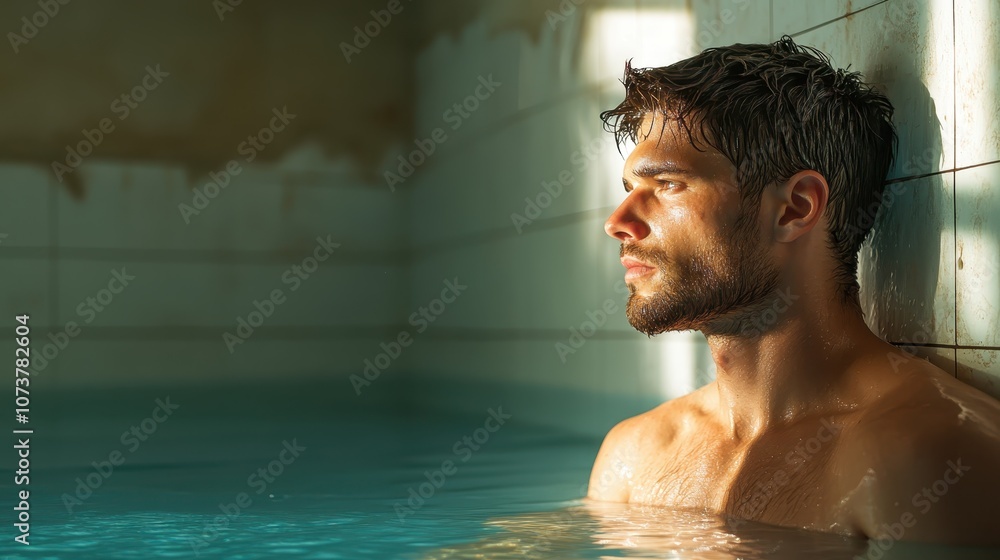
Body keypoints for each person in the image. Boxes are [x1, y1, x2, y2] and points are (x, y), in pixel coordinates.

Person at [588, 35, 1000, 544]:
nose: (618, 222)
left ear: (795, 208)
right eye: (631, 189)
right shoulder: (633, 458)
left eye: (668, 184)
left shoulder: (924, 458)